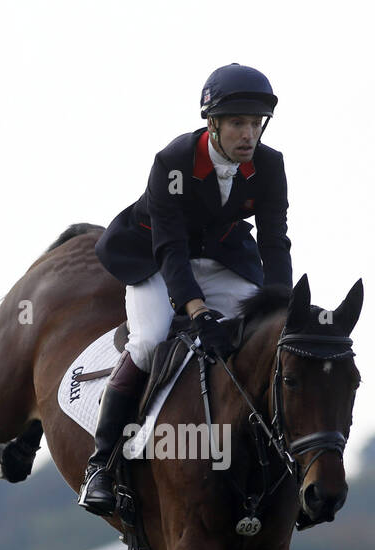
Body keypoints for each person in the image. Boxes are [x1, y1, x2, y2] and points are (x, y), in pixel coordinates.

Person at [79, 63, 293, 515]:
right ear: (211, 123)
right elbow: (171, 248)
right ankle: (101, 464)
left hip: (221, 256)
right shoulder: (172, 162)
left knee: (257, 336)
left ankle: (276, 462)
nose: (248, 135)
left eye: (256, 124)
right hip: (154, 255)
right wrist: (196, 312)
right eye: (237, 123)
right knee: (149, 340)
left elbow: (275, 242)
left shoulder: (269, 166)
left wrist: (280, 315)